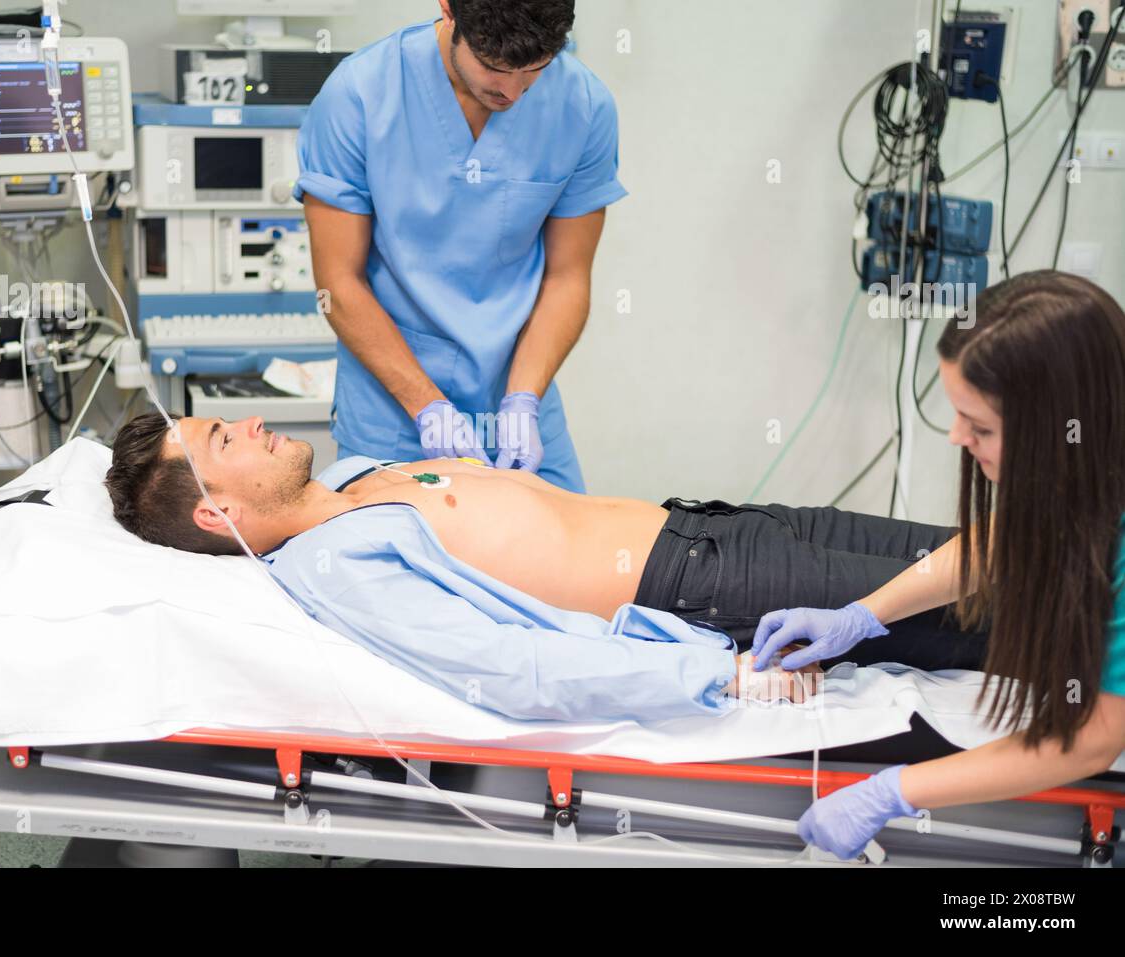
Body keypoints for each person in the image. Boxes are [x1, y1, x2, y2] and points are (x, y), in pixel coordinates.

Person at [103, 411, 987, 723]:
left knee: (995, 545)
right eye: (227, 439)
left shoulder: (350, 477)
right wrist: (712, 672)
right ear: (220, 513)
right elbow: (509, 667)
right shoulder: (334, 567)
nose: (251, 425)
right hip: (708, 589)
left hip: (721, 525)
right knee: (1006, 616)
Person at [750, 270, 1125, 859]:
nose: (956, 437)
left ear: (1057, 429)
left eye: (979, 426)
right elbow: (1004, 541)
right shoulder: (1091, 460)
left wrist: (892, 792)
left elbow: (1090, 740)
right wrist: (859, 615)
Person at [296, 0, 626, 492]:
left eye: (534, 71)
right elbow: (339, 284)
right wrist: (427, 407)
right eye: (493, 68)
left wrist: (522, 402)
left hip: (517, 395)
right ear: (449, 10)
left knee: (560, 554)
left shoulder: (583, 106)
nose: (512, 91)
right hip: (393, 408)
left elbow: (567, 277)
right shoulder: (359, 95)